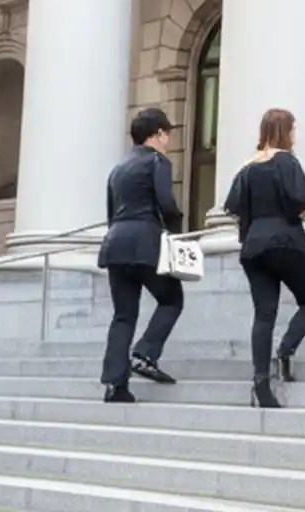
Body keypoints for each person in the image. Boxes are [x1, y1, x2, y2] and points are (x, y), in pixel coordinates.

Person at [225, 108, 305, 409]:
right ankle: (286, 349)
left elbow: (232, 208)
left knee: (263, 315)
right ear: (286, 131)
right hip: (286, 242)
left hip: (253, 247)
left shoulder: (247, 168)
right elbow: (304, 197)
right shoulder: (287, 162)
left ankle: (261, 383)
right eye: (293, 130)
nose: (295, 136)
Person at [98, 107, 185, 403]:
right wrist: (177, 232)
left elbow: (111, 212)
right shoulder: (157, 161)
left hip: (115, 244)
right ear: (158, 134)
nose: (168, 141)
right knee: (172, 299)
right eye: (167, 134)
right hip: (146, 242)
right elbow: (166, 203)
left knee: (123, 316)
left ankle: (115, 385)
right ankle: (146, 353)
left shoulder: (118, 169)